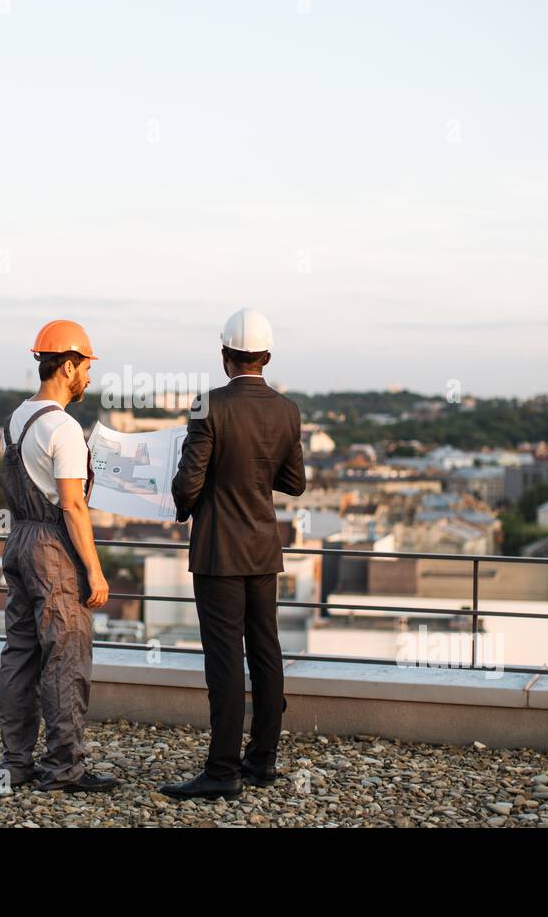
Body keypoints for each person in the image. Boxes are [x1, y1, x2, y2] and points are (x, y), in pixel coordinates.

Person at [159, 308, 306, 800]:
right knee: (266, 654)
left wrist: (181, 506)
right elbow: (295, 482)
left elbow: (189, 481)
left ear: (225, 357)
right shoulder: (288, 411)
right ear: (266, 356)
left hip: (219, 552)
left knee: (224, 661)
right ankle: (261, 761)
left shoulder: (208, 406)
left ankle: (221, 771)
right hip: (264, 551)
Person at [0, 319, 116, 793]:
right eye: (85, 366)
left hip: (19, 540)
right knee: (66, 656)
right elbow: (73, 504)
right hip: (51, 548)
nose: (88, 376)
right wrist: (94, 570)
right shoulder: (62, 427)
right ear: (66, 366)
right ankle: (64, 768)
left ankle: (15, 763)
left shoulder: (17, 418)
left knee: (20, 654)